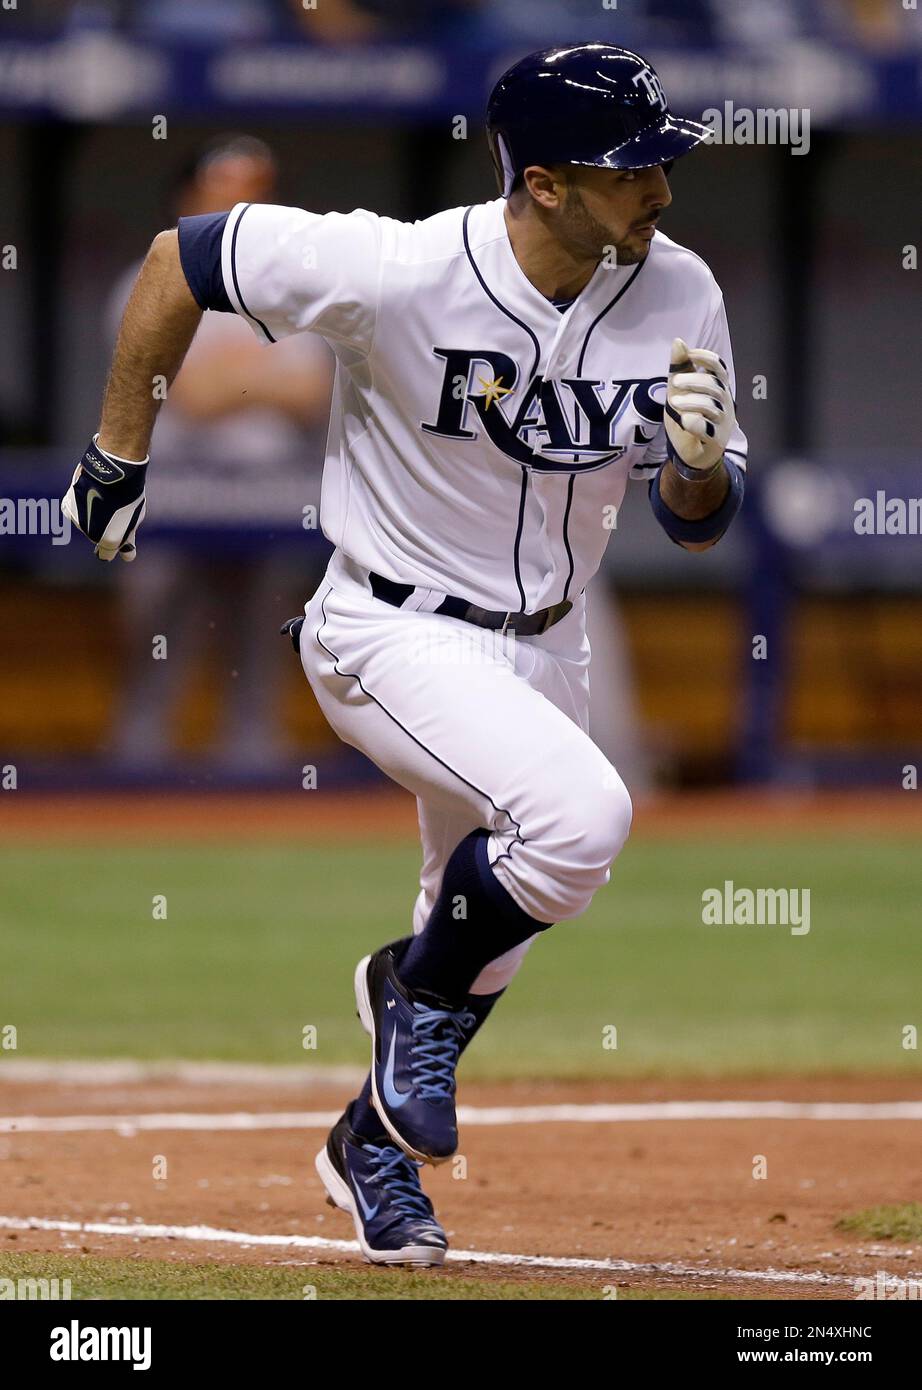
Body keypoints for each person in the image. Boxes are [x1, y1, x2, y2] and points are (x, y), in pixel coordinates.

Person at [62, 44, 748, 1265]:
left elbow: (695, 525)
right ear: (542, 182)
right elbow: (183, 259)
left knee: (482, 933)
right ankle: (403, 1000)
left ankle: (368, 1145)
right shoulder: (400, 265)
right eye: (629, 168)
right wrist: (120, 454)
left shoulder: (680, 288)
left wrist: (695, 470)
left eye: (661, 162)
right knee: (579, 820)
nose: (659, 189)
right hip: (388, 624)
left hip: (549, 644)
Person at [104, 136, 332, 771]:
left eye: (256, 188)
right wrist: (258, 379)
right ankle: (131, 787)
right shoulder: (151, 277)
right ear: (188, 196)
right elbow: (188, 397)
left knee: (262, 654)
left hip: (271, 490)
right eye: (224, 186)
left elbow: (312, 395)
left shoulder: (296, 288)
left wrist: (228, 377)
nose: (242, 201)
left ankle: (255, 795)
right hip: (172, 488)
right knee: (153, 650)